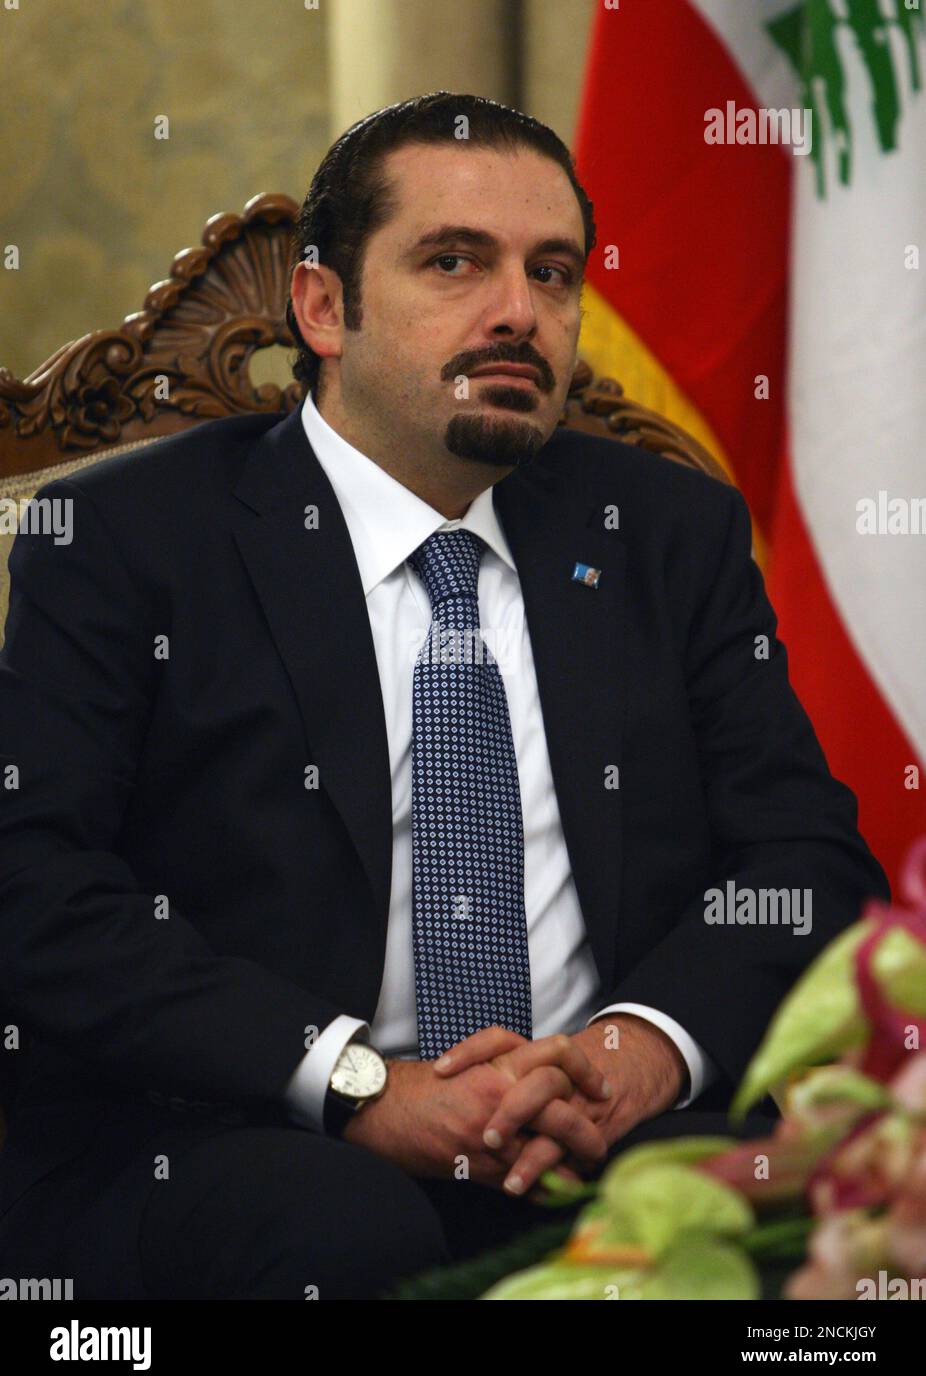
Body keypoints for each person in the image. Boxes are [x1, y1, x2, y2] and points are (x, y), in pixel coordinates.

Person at [0, 92, 888, 1300]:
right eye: (454, 262)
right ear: (322, 306)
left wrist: (632, 1051)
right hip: (246, 1130)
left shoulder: (662, 533)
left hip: (596, 1123)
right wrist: (356, 1081)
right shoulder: (128, 538)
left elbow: (804, 859)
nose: (518, 311)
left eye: (554, 273)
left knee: (769, 1220)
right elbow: (34, 880)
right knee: (338, 1231)